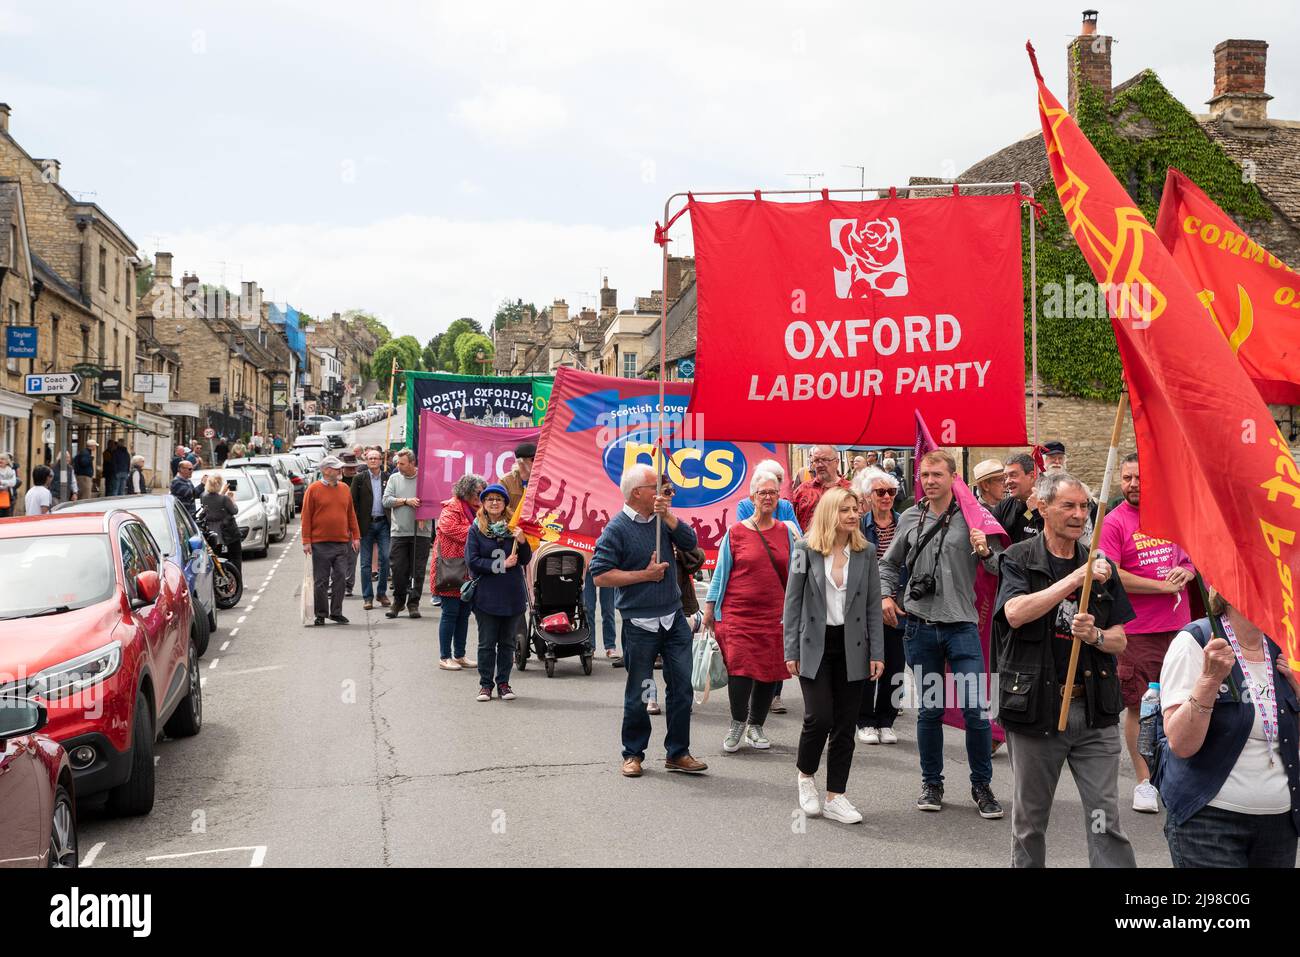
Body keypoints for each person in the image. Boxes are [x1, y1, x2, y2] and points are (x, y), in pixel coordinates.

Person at [994, 470, 1137, 867]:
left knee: (1104, 820)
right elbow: (1015, 613)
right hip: (1037, 709)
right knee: (1030, 823)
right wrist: (1075, 579)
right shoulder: (1018, 558)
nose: (1079, 514)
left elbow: (1120, 640)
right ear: (1042, 507)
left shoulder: (1101, 564)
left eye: (1084, 506)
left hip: (1094, 712)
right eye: (1068, 505)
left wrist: (1094, 637)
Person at [880, 449, 1005, 818]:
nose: (930, 480)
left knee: (976, 711)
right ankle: (931, 783)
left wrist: (984, 552)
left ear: (954, 477)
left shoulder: (973, 517)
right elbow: (889, 564)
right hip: (920, 628)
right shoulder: (909, 518)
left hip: (962, 627)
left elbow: (1001, 567)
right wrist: (887, 596)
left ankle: (982, 785)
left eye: (938, 474)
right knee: (929, 712)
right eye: (925, 475)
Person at [1157, 588, 1300, 868]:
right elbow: (1181, 744)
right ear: (1233, 589)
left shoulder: (1285, 646)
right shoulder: (1196, 640)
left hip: (1280, 824)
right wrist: (1209, 680)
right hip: (1209, 825)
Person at [590, 463, 707, 778]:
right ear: (637, 493)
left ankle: (678, 753)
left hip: (673, 619)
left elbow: (690, 541)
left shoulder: (661, 520)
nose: (663, 491)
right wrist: (645, 575)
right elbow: (600, 575)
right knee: (641, 691)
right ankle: (633, 753)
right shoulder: (616, 529)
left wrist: (668, 515)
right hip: (640, 625)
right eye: (656, 486)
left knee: (682, 688)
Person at [1099, 452, 1196, 814]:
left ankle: (1177, 774)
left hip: (1181, 630)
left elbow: (1191, 557)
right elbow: (1112, 573)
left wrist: (1187, 572)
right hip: (1137, 631)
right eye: (1126, 478)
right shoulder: (1113, 523)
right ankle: (1144, 782)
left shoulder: (1173, 515)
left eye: (1139, 477)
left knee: (1186, 702)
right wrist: (1160, 587)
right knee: (1140, 705)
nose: (1133, 484)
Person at [784, 486, 884, 824]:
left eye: (856, 508)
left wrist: (877, 652)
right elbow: (792, 603)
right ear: (830, 513)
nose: (854, 515)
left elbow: (873, 605)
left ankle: (836, 796)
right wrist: (791, 649)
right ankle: (806, 777)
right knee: (819, 717)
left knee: (844, 725)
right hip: (815, 644)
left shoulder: (866, 551)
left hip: (853, 645)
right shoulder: (803, 549)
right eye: (845, 510)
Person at [704, 469, 800, 753]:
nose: (768, 497)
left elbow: (797, 574)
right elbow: (720, 574)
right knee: (741, 671)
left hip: (775, 615)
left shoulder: (787, 532)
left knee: (769, 671)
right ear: (752, 498)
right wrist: (710, 608)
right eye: (762, 493)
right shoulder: (735, 532)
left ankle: (756, 726)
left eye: (773, 492)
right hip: (738, 615)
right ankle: (737, 723)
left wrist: (799, 609)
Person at [465, 483, 532, 702]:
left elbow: (525, 559)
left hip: (512, 594)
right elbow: (473, 562)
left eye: (499, 499)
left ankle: (503, 682)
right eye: (490, 499)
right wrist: (502, 564)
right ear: (483, 504)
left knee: (507, 643)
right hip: (487, 595)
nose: (494, 502)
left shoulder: (514, 529)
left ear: (505, 505)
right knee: (486, 643)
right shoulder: (476, 529)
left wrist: (522, 543)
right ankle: (486, 685)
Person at [855, 467, 906, 746]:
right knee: (867, 662)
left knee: (897, 664)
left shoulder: (906, 522)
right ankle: (864, 720)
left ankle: (887, 720)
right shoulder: (860, 525)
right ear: (868, 496)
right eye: (880, 492)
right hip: (866, 603)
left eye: (891, 492)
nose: (886, 497)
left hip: (900, 604)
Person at [301, 455, 361, 626]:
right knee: (321, 580)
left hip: (342, 542)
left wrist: (356, 536)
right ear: (326, 471)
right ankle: (321, 614)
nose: (340, 471)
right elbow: (306, 517)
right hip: (320, 543)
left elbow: (351, 514)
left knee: (341, 577)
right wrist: (306, 541)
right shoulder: (313, 490)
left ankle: (336, 612)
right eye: (336, 468)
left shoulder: (344, 489)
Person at [434, 473, 484, 670]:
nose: (480, 497)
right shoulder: (451, 508)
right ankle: (445, 656)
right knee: (450, 612)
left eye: (482, 493)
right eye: (477, 493)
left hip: (467, 569)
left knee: (463, 613)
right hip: (450, 567)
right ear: (467, 491)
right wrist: (479, 532)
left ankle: (460, 655)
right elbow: (451, 530)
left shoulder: (476, 509)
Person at [383, 448, 434, 619]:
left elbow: (434, 502)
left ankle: (413, 603)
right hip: (399, 532)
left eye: (402, 463)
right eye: (397, 463)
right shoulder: (394, 478)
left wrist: (423, 512)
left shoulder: (426, 479)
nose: (398, 466)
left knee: (417, 570)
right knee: (398, 569)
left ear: (412, 463)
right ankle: (398, 602)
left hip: (421, 532)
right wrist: (405, 501)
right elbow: (386, 500)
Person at [351, 449, 391, 611]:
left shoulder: (388, 478)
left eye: (376, 458)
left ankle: (381, 593)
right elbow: (352, 504)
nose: (373, 460)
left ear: (381, 460)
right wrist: (353, 528)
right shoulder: (359, 479)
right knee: (365, 563)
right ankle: (368, 597)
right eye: (370, 458)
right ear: (366, 461)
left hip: (383, 524)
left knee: (386, 558)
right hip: (365, 525)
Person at [792, 445, 852, 532]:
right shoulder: (802, 491)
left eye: (825, 460)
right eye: (816, 460)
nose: (820, 465)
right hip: (809, 544)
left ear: (837, 462)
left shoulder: (850, 489)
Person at [992, 452, 1042, 544]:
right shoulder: (1002, 507)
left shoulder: (1048, 505)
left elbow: (1052, 542)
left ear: (1032, 476)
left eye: (1013, 475)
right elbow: (994, 543)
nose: (1007, 481)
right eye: (1005, 477)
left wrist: (1037, 512)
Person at [199, 473, 243, 573]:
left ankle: (217, 578)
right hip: (227, 531)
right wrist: (232, 499)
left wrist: (222, 493)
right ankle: (237, 579)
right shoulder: (225, 499)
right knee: (235, 557)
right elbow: (234, 510)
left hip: (212, 531)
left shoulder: (203, 497)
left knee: (216, 558)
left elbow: (215, 502)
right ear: (219, 485)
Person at [499, 442, 534, 514]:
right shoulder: (505, 481)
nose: (537, 462)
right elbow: (501, 508)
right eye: (533, 459)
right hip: (512, 523)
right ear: (521, 462)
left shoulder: (541, 481)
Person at [0, 453, 18, 517]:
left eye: (2, 459)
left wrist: (2, 482)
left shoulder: (11, 471)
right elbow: (9, 483)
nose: (0, 460)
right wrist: (7, 483)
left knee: (6, 516)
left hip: (8, 497)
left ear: (7, 461)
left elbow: (13, 483)